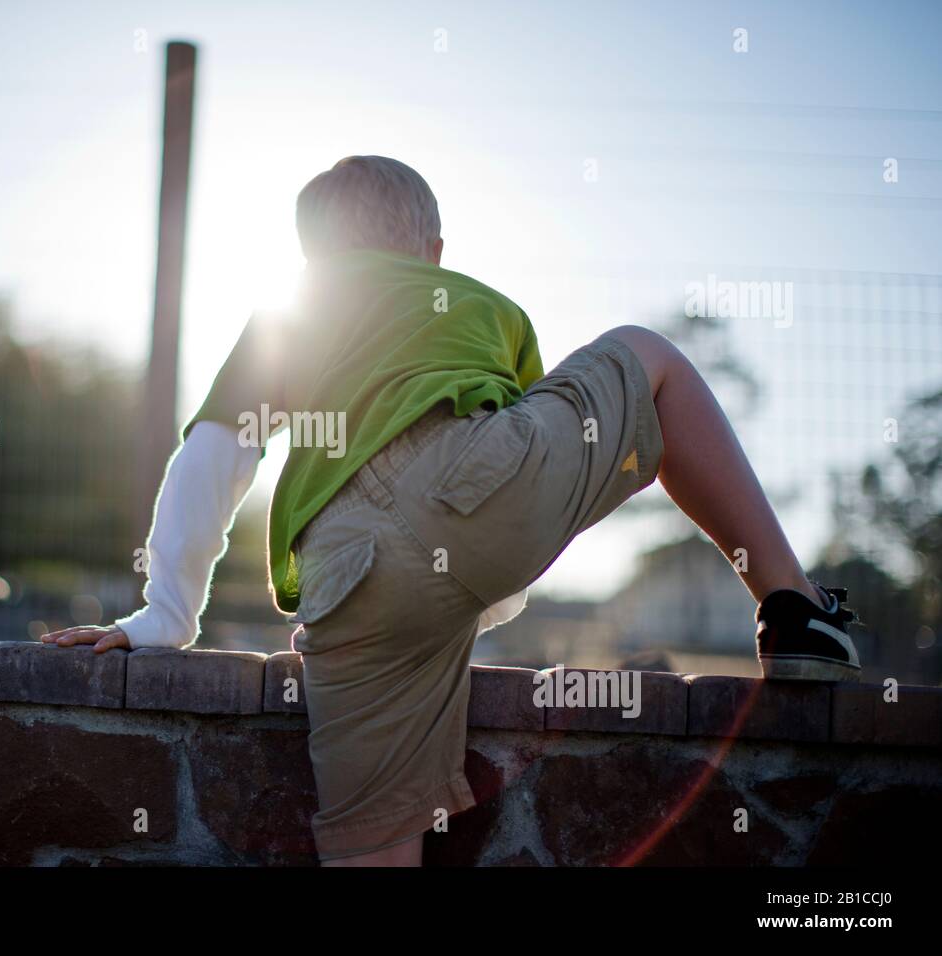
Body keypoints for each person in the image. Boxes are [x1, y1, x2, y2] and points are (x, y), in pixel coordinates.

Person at [42, 155, 860, 866]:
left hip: (344, 572)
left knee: (372, 843)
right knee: (655, 363)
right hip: (476, 486)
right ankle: (793, 607)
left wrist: (167, 613)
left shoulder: (290, 312)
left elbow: (213, 456)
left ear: (310, 256)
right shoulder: (477, 305)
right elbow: (496, 494)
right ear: (432, 250)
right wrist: (475, 581)